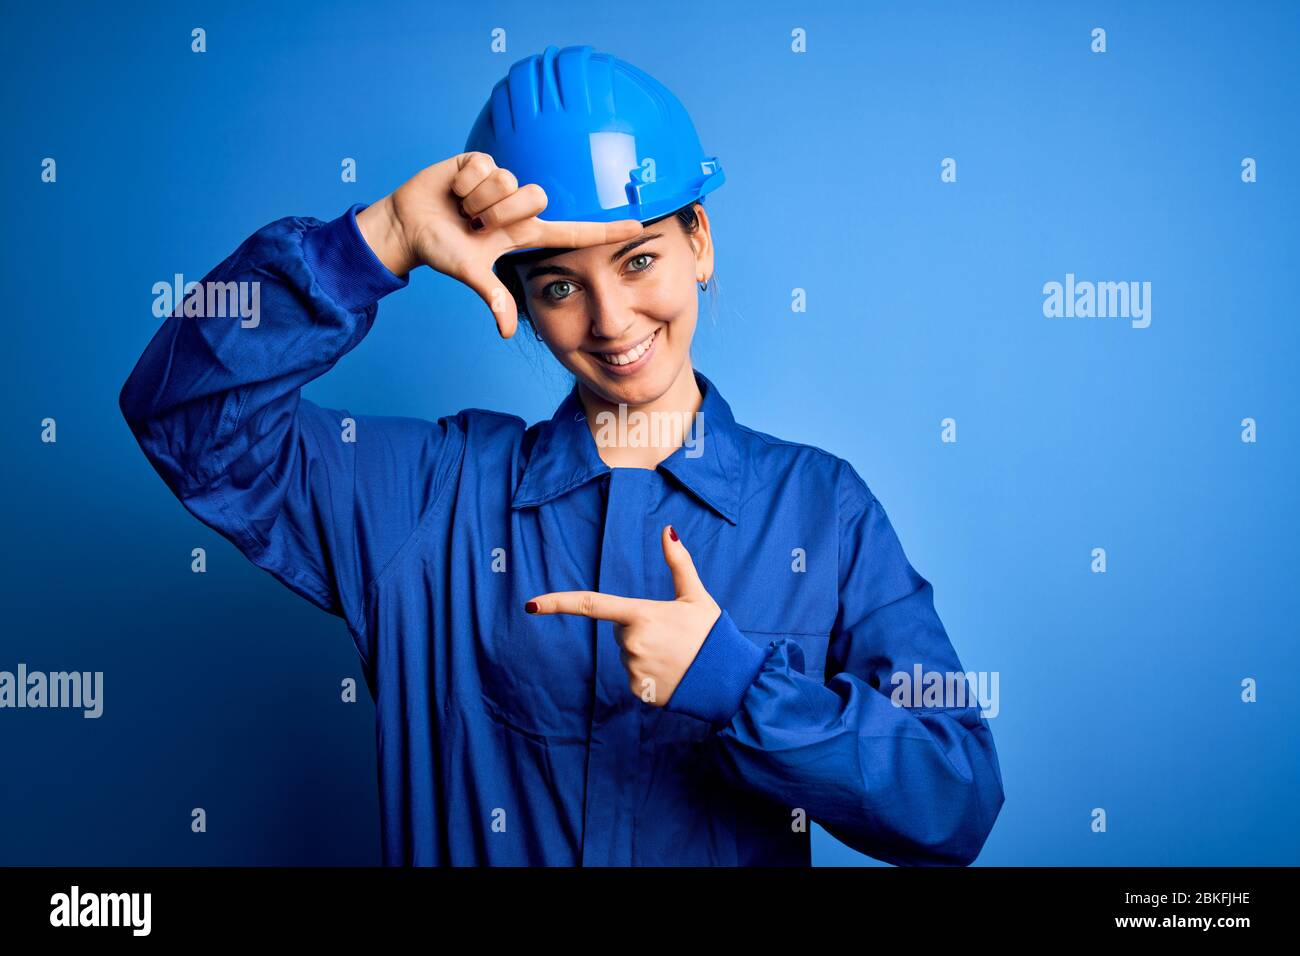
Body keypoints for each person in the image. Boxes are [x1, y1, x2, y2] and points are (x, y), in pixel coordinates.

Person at [119, 43, 1004, 866]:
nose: (611, 321)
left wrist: (740, 689)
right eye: (559, 285)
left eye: (638, 259)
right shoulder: (431, 498)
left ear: (699, 241)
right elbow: (188, 421)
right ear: (519, 300)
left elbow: (953, 799)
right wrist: (375, 239)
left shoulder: (822, 510)